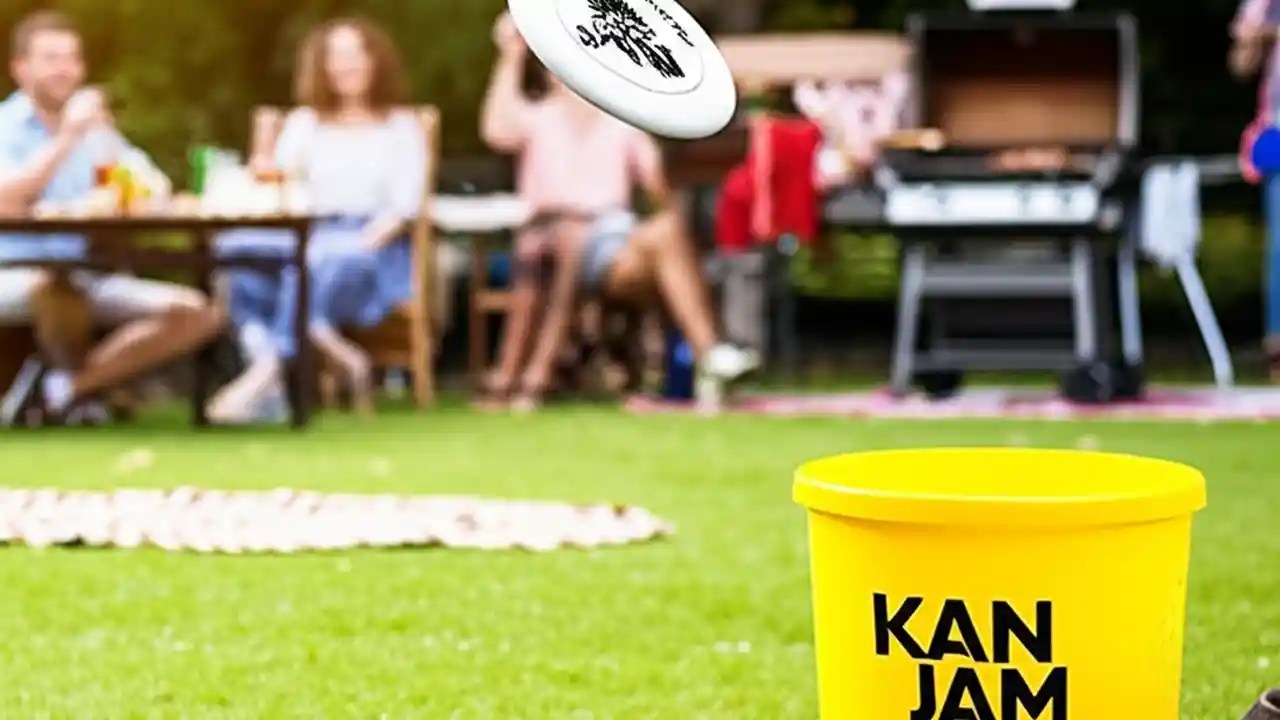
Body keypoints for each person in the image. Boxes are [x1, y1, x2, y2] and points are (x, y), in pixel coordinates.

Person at [477, 12, 758, 412]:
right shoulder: (538, 118)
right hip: (553, 240)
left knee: (665, 228)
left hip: (612, 243)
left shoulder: (622, 123)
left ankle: (711, 355)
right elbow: (495, 130)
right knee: (575, 238)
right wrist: (509, 53)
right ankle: (709, 356)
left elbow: (658, 189)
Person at [0, 11, 223, 425]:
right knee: (53, 286)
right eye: (51, 58)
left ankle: (62, 389)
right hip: (13, 272)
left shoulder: (95, 129)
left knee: (196, 313)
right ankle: (74, 395)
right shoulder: (6, 127)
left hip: (86, 274)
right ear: (20, 69)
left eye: (71, 59)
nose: (64, 69)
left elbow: (148, 186)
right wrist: (66, 138)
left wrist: (134, 188)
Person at [210, 17, 438, 421]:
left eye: (355, 54)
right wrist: (262, 154)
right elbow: (276, 187)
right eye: (336, 56)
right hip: (308, 232)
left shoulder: (402, 127)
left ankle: (264, 376)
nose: (346, 65)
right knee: (232, 251)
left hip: (372, 244)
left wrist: (359, 242)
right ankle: (321, 352)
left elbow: (403, 209)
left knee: (317, 261)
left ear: (375, 61)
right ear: (322, 66)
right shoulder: (305, 124)